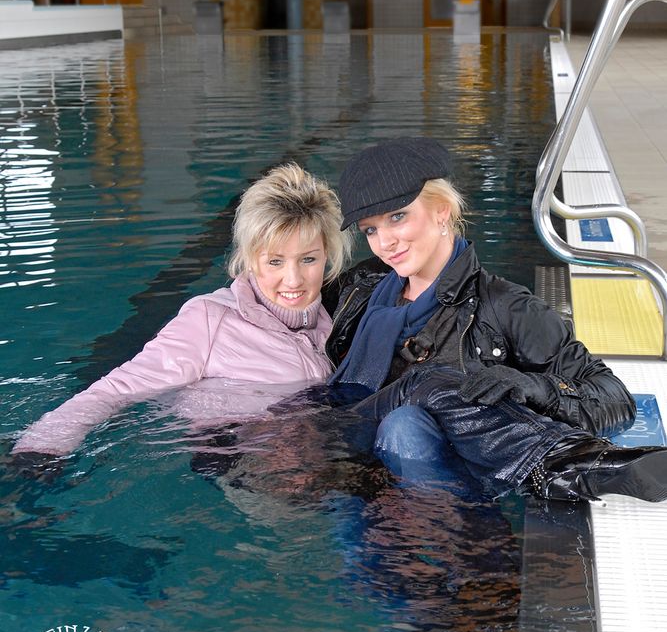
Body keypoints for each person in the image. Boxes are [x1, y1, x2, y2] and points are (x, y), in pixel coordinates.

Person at [324, 137, 667, 504]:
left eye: (397, 217)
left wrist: (531, 386)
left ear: (441, 210)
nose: (385, 243)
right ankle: (559, 467)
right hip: (356, 472)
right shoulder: (361, 291)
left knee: (405, 425)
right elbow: (287, 282)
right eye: (371, 230)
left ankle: (554, 467)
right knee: (423, 387)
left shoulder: (506, 307)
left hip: (448, 499)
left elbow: (615, 400)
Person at [12, 163, 350, 458]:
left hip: (314, 449)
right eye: (275, 261)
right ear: (249, 259)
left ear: (327, 256)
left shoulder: (335, 320)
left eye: (308, 259)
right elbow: (117, 389)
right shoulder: (209, 319)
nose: (293, 279)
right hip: (243, 462)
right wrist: (42, 447)